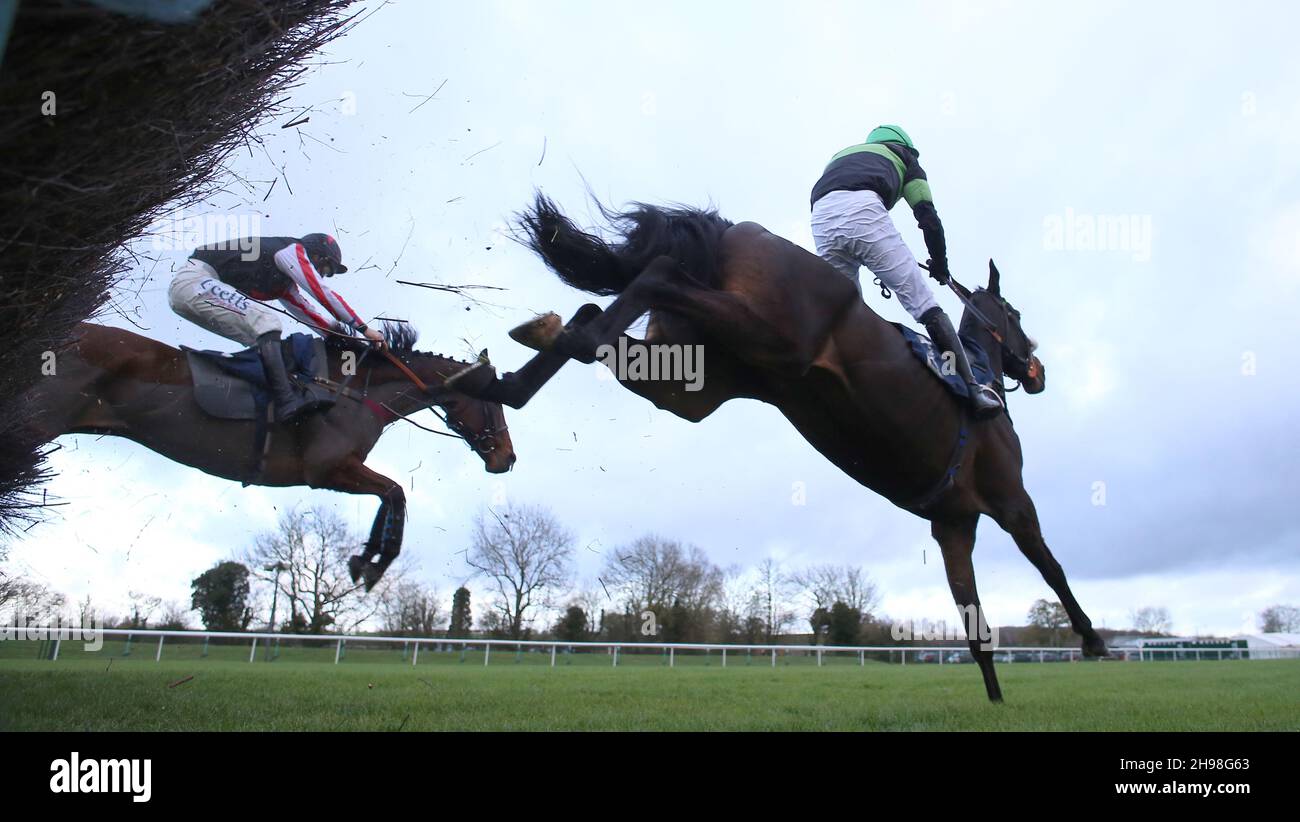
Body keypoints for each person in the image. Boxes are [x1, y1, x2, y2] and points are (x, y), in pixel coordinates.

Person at [810, 125, 1003, 419]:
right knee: (925, 305)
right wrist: (940, 264)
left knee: (846, 312)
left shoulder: (842, 156)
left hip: (820, 218)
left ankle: (838, 382)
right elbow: (928, 218)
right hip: (863, 211)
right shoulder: (906, 159)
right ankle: (972, 387)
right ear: (907, 148)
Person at [168, 233, 386, 422]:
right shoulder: (292, 250)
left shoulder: (284, 285)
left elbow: (309, 314)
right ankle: (286, 402)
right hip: (195, 280)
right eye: (325, 268)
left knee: (264, 342)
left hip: (196, 291)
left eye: (326, 273)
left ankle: (247, 396)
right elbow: (320, 292)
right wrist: (364, 329)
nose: (321, 274)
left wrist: (349, 342)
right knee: (268, 323)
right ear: (316, 254)